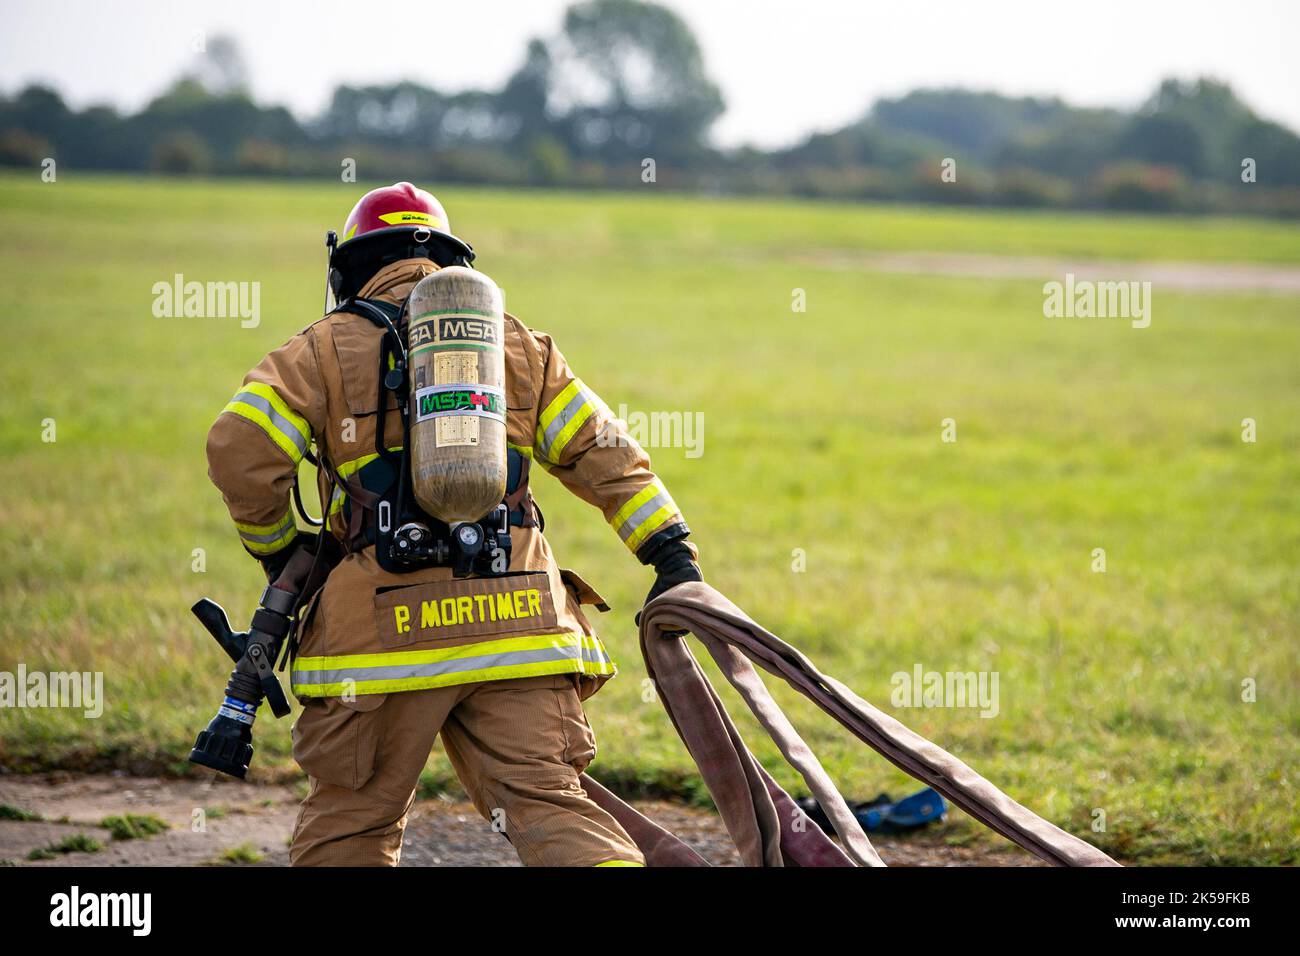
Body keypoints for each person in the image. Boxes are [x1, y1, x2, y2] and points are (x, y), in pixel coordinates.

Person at [205, 182, 702, 866]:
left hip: (379, 644)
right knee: (550, 803)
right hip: (519, 626)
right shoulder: (518, 346)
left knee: (352, 823)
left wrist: (278, 549)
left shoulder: (321, 349)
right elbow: (603, 452)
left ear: (349, 266)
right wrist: (671, 552)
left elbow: (238, 449)